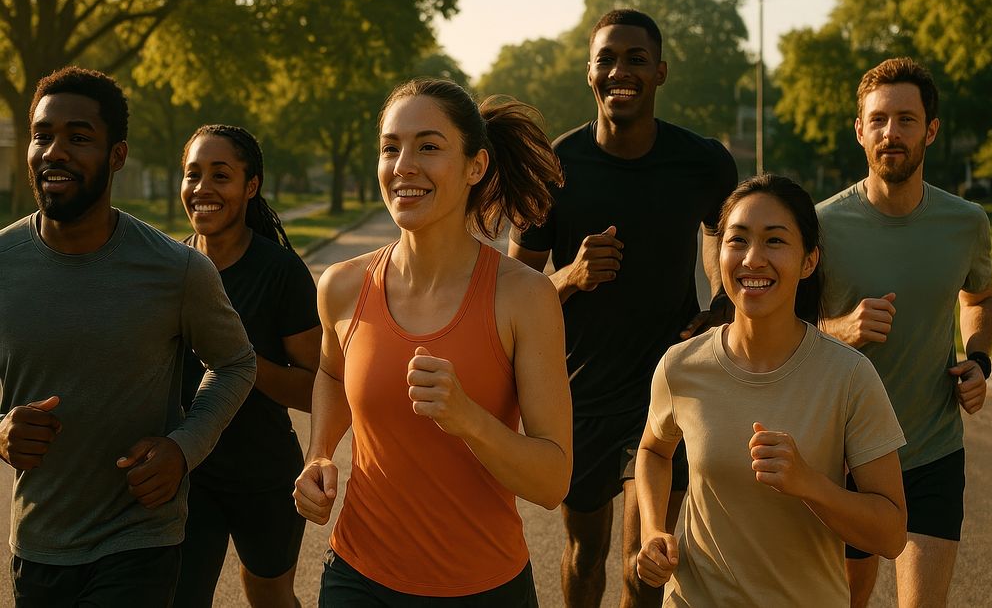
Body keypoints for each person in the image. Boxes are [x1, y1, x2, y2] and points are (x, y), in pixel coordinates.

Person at [293, 78, 572, 606]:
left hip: (485, 587)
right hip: (357, 576)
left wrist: (466, 418)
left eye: (428, 146)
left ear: (476, 166)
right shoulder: (343, 286)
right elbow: (331, 373)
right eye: (390, 147)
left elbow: (552, 481)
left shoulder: (525, 297)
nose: (403, 165)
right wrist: (319, 454)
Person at [0, 67, 256, 607]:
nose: (55, 152)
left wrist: (182, 449)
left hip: (137, 540)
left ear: (117, 155)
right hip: (39, 543)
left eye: (79, 138)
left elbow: (235, 363)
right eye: (43, 135)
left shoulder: (176, 269)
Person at [508, 8, 737, 608]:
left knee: (647, 559)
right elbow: (512, 285)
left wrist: (720, 300)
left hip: (666, 383)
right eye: (607, 59)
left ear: (659, 72)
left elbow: (724, 234)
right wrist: (572, 276)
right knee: (586, 556)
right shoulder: (555, 167)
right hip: (580, 387)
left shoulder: (702, 161)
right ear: (590, 74)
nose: (620, 71)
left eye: (636, 59)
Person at [635, 173, 907, 606]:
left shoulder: (849, 376)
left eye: (775, 241)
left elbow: (891, 535)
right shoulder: (681, 365)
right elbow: (652, 451)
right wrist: (652, 529)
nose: (752, 259)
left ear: (808, 261)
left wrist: (809, 484)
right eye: (737, 240)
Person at [817, 57, 992, 607]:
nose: (890, 132)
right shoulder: (821, 225)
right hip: (844, 451)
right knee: (849, 598)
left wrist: (979, 359)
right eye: (878, 120)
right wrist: (839, 329)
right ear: (859, 130)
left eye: (906, 119)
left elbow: (979, 297)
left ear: (931, 130)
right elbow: (782, 330)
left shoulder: (965, 222)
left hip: (933, 449)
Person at [172, 124, 321, 608]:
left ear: (250, 185)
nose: (203, 189)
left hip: (265, 473)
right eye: (193, 175)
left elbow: (315, 388)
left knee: (269, 595)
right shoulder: (169, 267)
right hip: (189, 470)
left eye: (221, 175)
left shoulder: (280, 272)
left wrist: (241, 361)